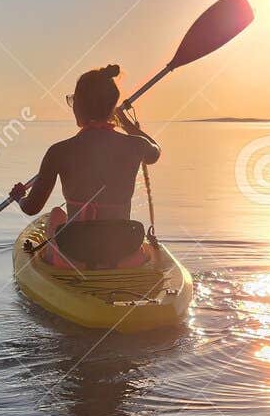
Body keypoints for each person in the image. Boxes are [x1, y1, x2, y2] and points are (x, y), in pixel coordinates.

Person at [9, 65, 162, 268]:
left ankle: (70, 262)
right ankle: (111, 265)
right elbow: (155, 152)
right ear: (112, 107)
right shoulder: (136, 145)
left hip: (74, 254)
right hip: (122, 249)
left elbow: (32, 208)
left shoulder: (59, 151)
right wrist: (125, 122)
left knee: (56, 214)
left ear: (78, 106)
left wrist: (19, 197)